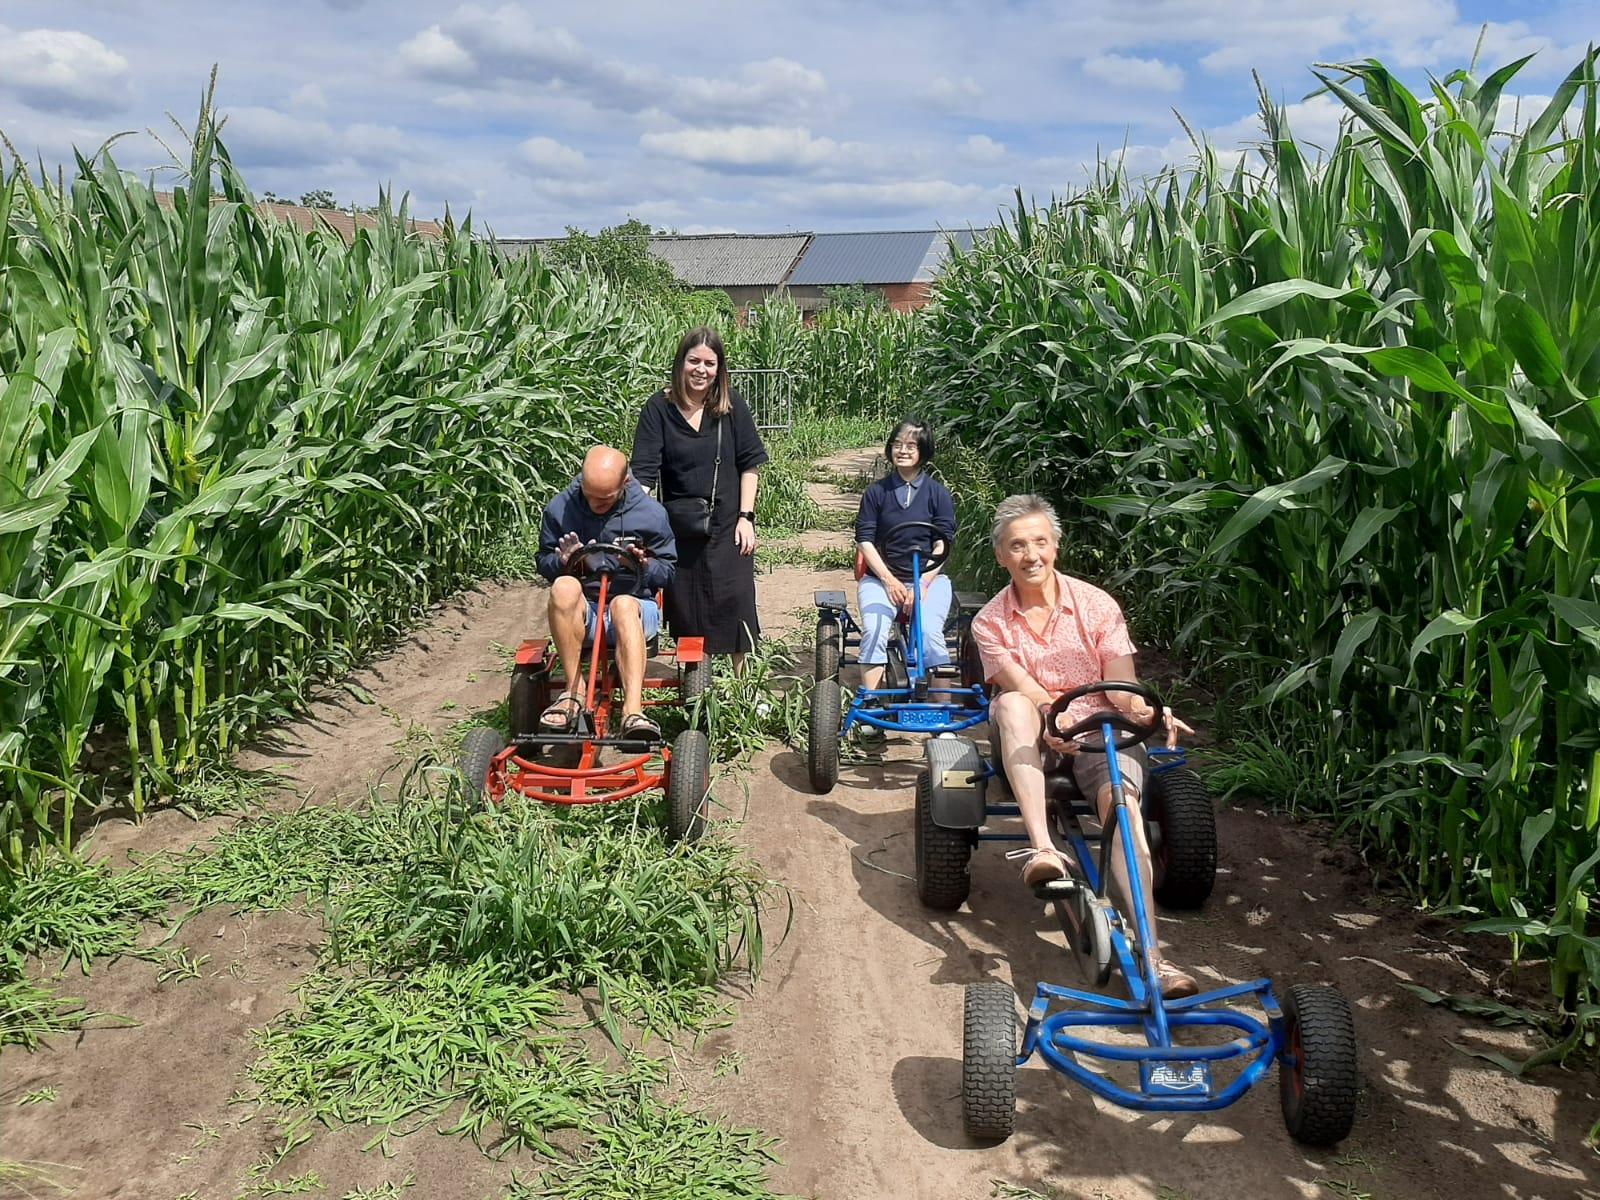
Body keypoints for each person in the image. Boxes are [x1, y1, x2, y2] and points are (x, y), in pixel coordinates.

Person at [970, 493, 1199, 999]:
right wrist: (1051, 720)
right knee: (1010, 706)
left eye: (1040, 542)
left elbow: (1120, 687)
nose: (1031, 555)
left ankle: (1154, 957)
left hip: (1101, 734)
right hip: (1035, 732)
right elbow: (1022, 689)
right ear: (1000, 556)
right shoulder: (989, 621)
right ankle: (1042, 847)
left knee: (1125, 816)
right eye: (1017, 546)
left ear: (1055, 546)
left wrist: (1146, 713)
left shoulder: (1096, 605)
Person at [630, 327, 768, 666]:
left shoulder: (730, 405)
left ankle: (744, 688)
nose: (701, 370)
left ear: (719, 368)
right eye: (694, 361)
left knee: (737, 603)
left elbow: (750, 464)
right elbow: (644, 474)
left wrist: (746, 518)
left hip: (728, 524)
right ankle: (696, 684)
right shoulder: (658, 409)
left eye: (709, 363)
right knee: (687, 606)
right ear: (681, 363)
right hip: (679, 528)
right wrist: (636, 525)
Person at [535, 445, 676, 738]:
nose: (593, 502)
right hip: (585, 608)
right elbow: (543, 561)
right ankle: (573, 691)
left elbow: (669, 572)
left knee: (623, 604)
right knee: (563, 586)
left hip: (636, 605)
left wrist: (642, 564)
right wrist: (563, 562)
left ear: (625, 483)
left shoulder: (651, 514)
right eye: (588, 494)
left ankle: (633, 711)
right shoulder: (560, 508)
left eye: (604, 498)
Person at [854, 417, 957, 691]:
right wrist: (889, 581)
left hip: (929, 580)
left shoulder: (938, 494)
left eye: (911, 445)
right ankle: (872, 702)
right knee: (875, 629)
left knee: (928, 632)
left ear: (923, 451)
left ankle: (941, 713)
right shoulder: (876, 493)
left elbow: (943, 543)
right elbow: (865, 540)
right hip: (880, 580)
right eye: (897, 444)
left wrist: (923, 583)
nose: (903, 450)